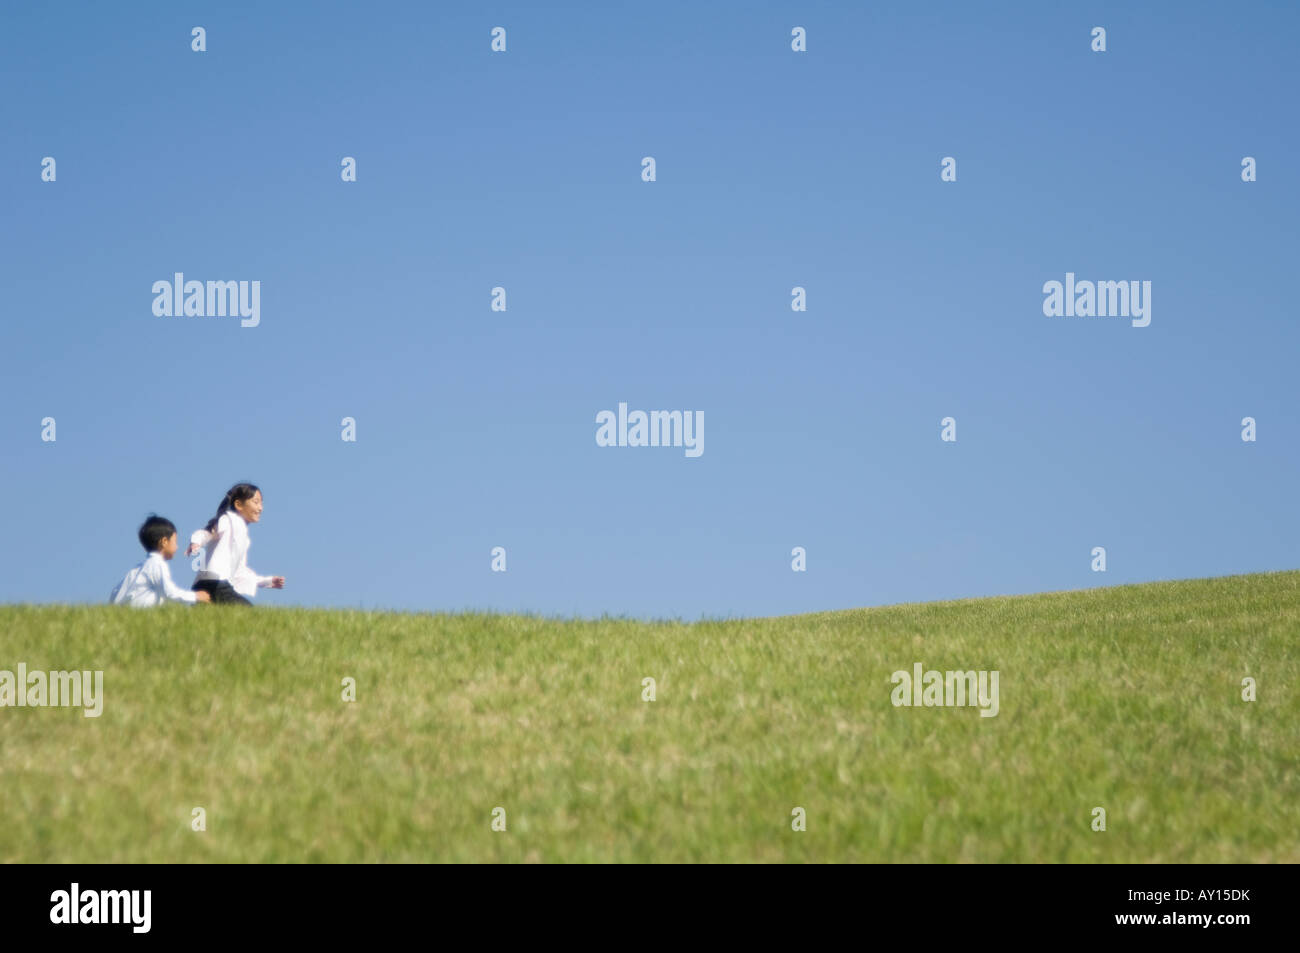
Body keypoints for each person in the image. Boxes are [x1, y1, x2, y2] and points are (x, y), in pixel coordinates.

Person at [188, 483, 285, 605]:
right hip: (215, 583)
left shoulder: (241, 534)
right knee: (248, 615)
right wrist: (196, 542)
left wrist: (266, 581)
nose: (261, 508)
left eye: (261, 503)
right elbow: (207, 532)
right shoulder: (229, 520)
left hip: (206, 584)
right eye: (256, 502)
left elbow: (240, 571)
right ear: (238, 505)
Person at [110, 515, 212, 607]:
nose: (177, 547)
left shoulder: (138, 569)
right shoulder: (157, 563)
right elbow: (170, 593)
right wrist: (196, 596)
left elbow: (116, 593)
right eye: (175, 541)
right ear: (164, 542)